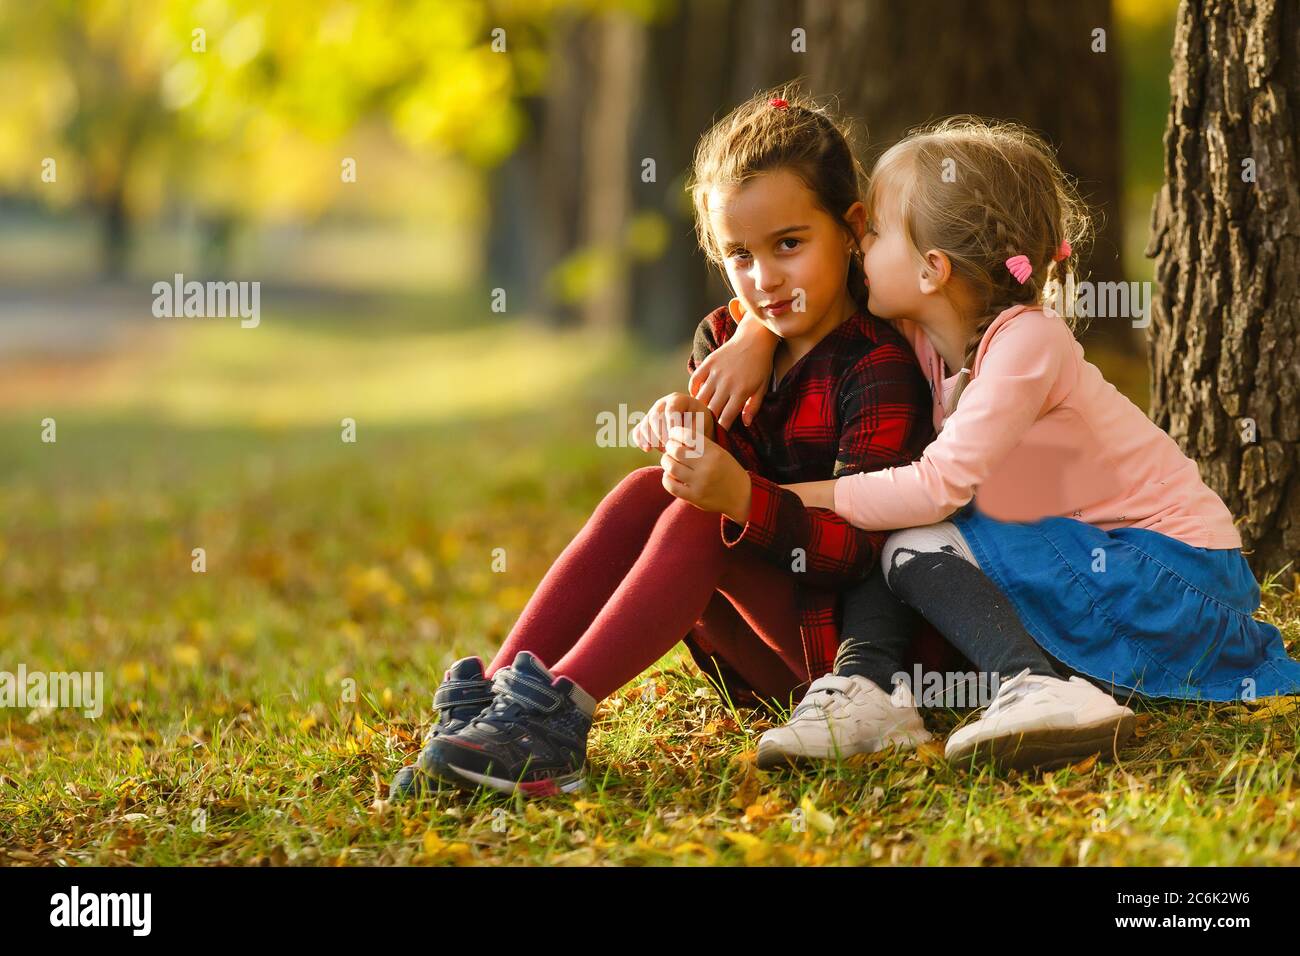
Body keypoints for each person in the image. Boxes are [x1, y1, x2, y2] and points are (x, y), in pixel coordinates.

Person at [692, 117, 1300, 771]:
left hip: (1175, 581)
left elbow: (938, 487)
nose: (856, 246)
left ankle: (1035, 687)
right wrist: (754, 334)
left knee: (924, 516)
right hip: (1103, 571)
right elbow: (802, 294)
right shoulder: (927, 343)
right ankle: (884, 689)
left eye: (871, 233)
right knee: (911, 532)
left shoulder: (1026, 343)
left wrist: (769, 498)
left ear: (931, 270)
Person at [389, 87, 935, 798]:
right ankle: (497, 702)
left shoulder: (876, 366)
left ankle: (556, 723)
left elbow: (868, 545)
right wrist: (692, 427)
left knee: (699, 511)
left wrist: (738, 495)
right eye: (740, 254)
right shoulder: (726, 340)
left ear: (851, 226)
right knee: (651, 489)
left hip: (844, 663)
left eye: (789, 245)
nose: (764, 279)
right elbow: (705, 477)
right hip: (756, 647)